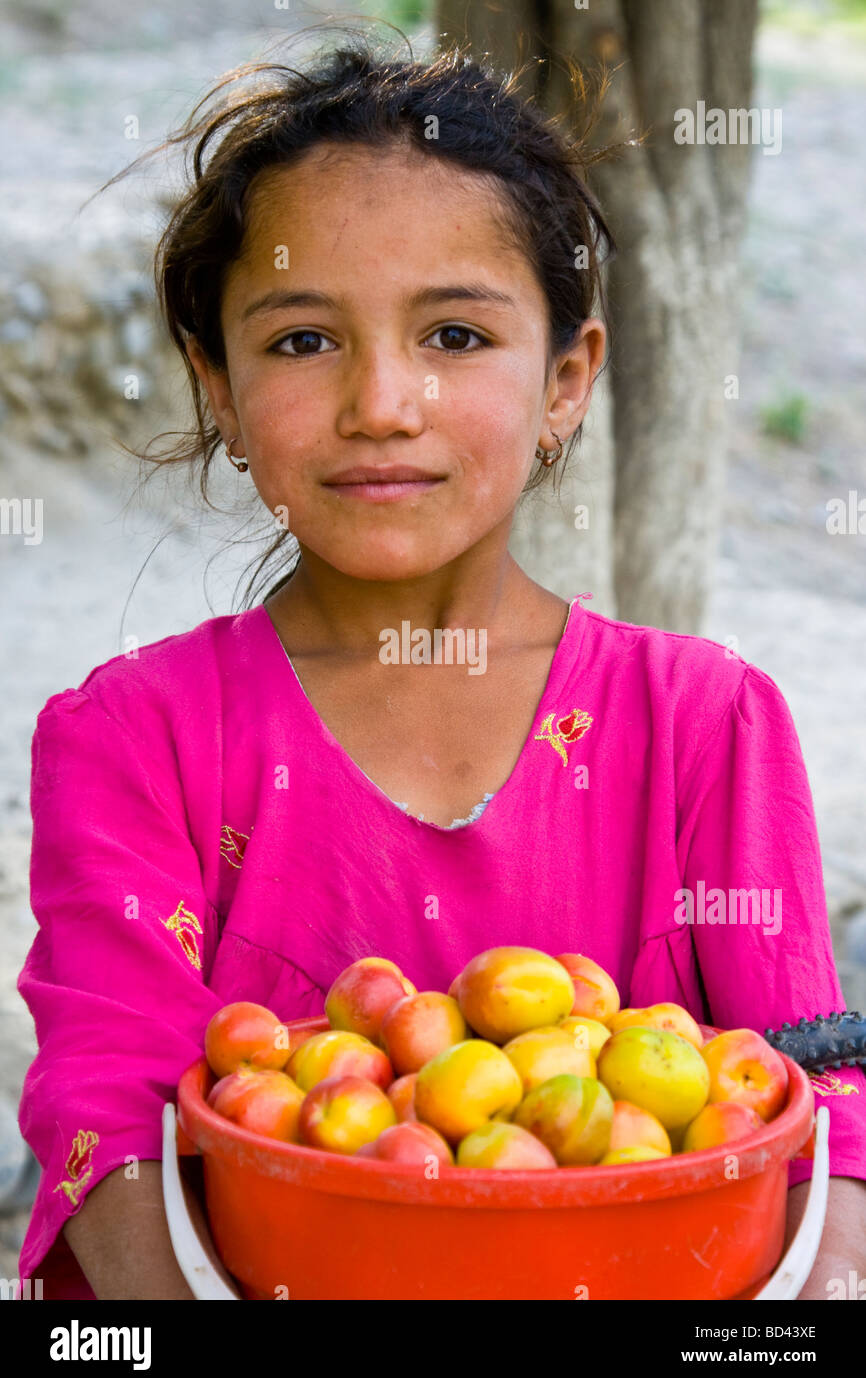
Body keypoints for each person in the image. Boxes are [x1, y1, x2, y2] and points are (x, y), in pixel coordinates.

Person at [16, 34, 866, 1300]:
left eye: (456, 334)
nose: (383, 403)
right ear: (219, 386)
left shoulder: (704, 723)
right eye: (303, 342)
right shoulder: (135, 738)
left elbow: (820, 1119)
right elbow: (110, 1119)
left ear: (565, 381)